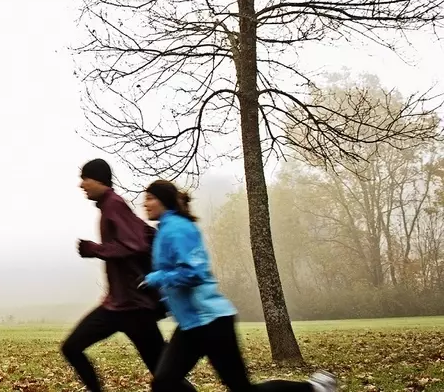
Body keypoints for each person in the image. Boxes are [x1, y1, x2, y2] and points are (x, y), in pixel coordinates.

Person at [141, 179, 337, 392]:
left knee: (242, 389)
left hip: (212, 322)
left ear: (164, 200)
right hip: (191, 325)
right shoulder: (165, 230)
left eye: (150, 198)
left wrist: (157, 278)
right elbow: (176, 279)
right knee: (163, 383)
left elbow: (193, 273)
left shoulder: (179, 229)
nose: (145, 204)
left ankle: (314, 388)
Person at [61, 158, 195, 392]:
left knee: (164, 376)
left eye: (86, 178)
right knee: (71, 347)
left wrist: (96, 250)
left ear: (100, 180)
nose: (82, 185)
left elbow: (136, 245)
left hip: (134, 308)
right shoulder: (108, 206)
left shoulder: (114, 204)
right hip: (116, 306)